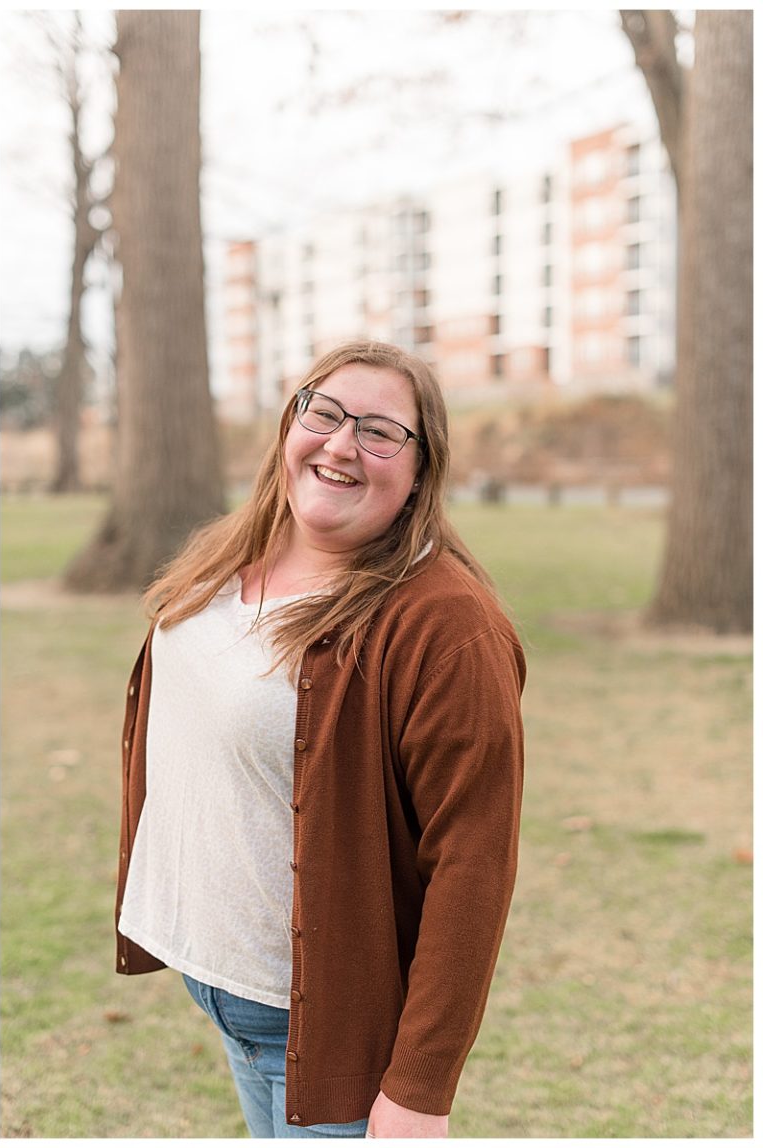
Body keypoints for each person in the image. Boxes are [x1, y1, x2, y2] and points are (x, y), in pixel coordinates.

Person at [115, 341, 525, 1139]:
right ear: (290, 423)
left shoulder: (446, 628)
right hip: (228, 992)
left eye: (380, 432)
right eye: (326, 413)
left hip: (324, 1031)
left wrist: (420, 1091)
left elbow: (473, 864)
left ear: (420, 472)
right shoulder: (232, 550)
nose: (341, 445)